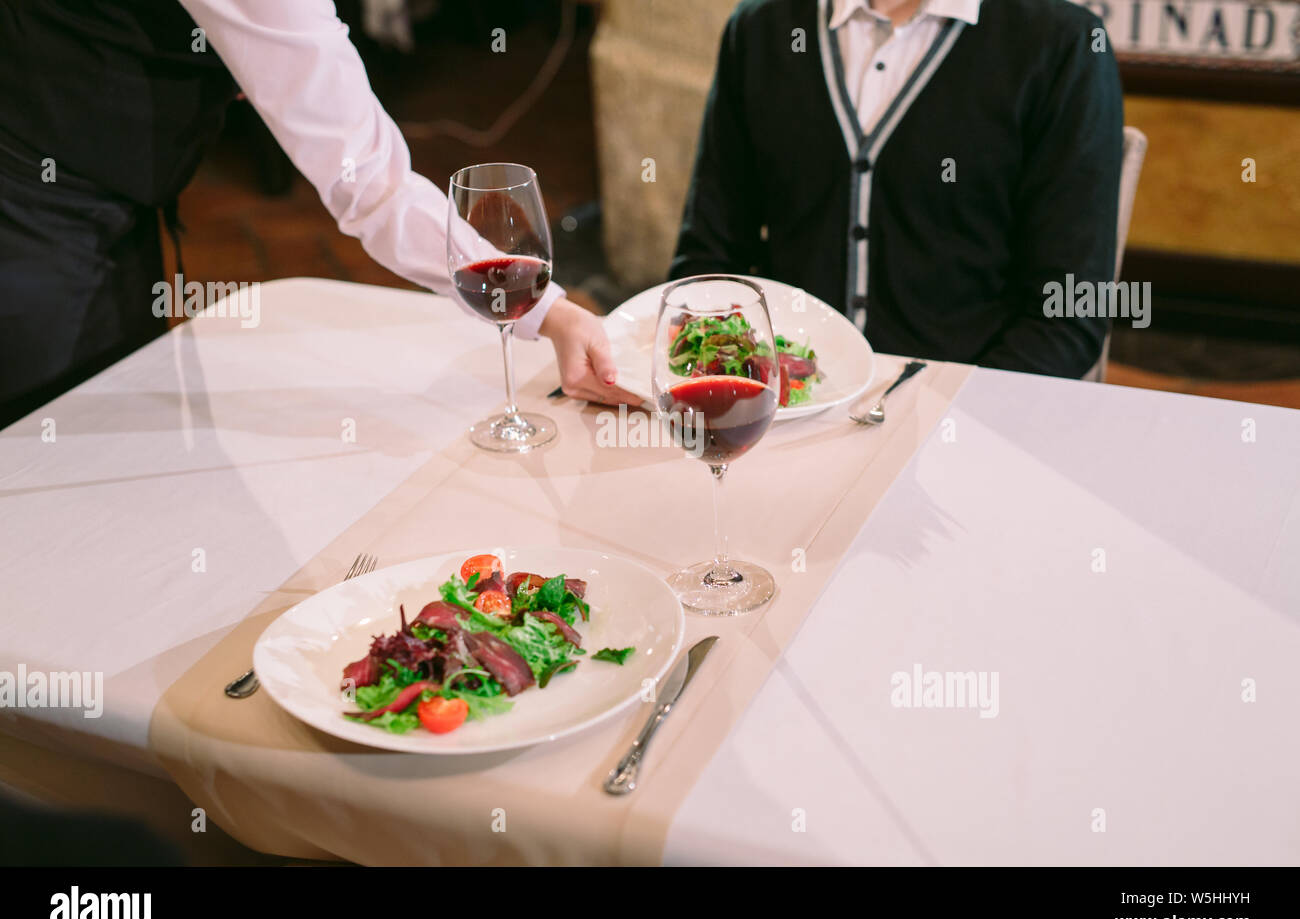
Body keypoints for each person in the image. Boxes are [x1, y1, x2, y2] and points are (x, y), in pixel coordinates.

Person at [0, 0, 636, 428]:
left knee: (119, 421)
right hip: (31, 194)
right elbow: (368, 182)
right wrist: (544, 309)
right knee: (51, 450)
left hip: (101, 181)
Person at [671, 0, 1124, 379]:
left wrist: (950, 421)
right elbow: (708, 262)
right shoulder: (759, 29)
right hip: (781, 415)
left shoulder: (1062, 43)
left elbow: (1069, 313)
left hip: (964, 419)